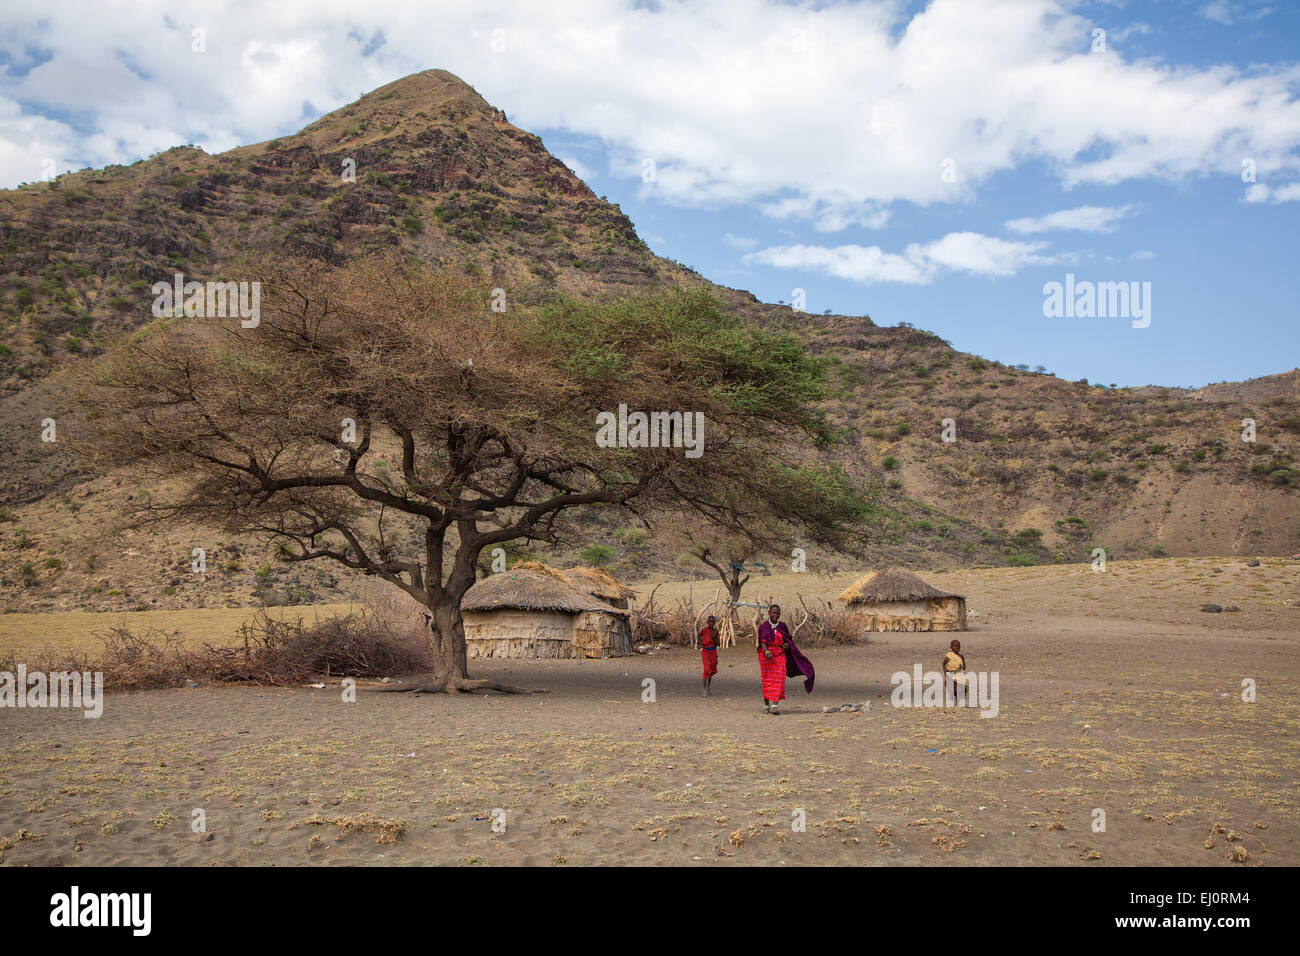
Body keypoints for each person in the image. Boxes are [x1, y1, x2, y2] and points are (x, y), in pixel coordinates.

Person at [757, 604, 790, 714]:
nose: (775, 615)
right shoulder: (764, 627)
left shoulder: (783, 626)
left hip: (780, 654)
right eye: (773, 613)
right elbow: (762, 642)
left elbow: (788, 640)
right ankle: (766, 705)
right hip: (766, 656)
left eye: (777, 613)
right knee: (767, 680)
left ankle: (774, 705)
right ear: (769, 613)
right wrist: (767, 651)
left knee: (780, 678)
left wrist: (786, 645)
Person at [942, 639, 968, 704]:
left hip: (958, 674)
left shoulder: (961, 656)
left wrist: (963, 666)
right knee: (953, 689)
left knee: (961, 689)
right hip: (950, 673)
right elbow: (943, 664)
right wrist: (945, 673)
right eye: (955, 646)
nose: (957, 648)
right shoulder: (949, 655)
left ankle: (958, 703)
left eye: (958, 646)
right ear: (951, 647)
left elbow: (964, 665)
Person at [699, 615, 719, 697]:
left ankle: (708, 687)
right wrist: (700, 642)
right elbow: (699, 636)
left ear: (714, 623)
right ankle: (704, 689)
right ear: (707, 622)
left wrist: (714, 638)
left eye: (713, 622)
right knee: (706, 669)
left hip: (713, 652)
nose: (711, 623)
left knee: (711, 669)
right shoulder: (704, 630)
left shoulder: (716, 632)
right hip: (705, 652)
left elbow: (718, 643)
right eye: (709, 622)